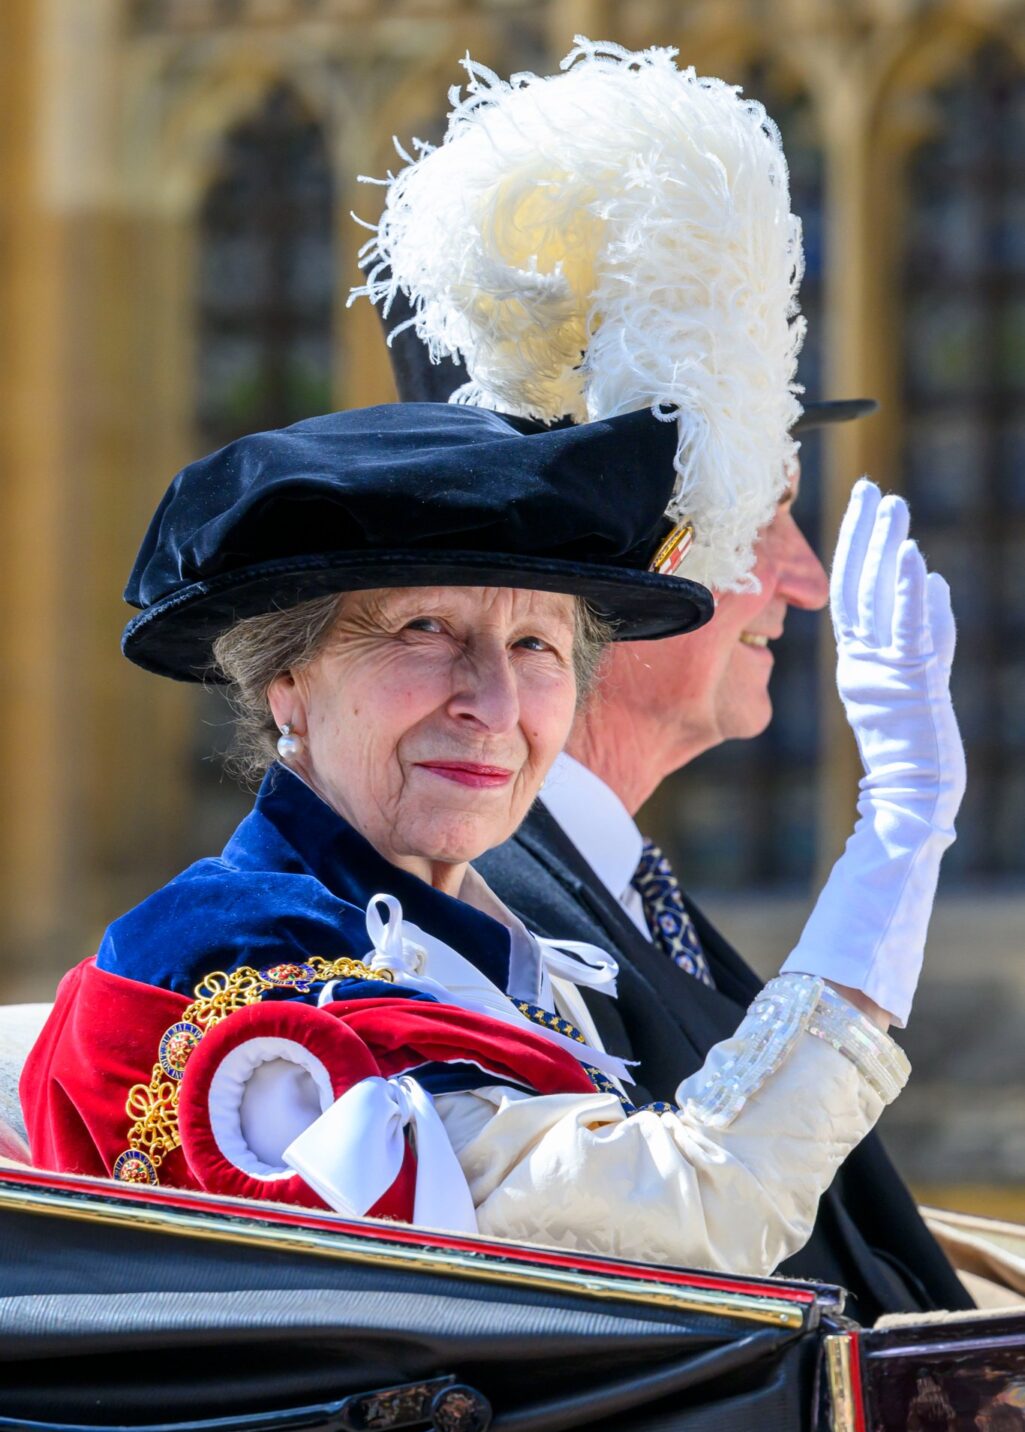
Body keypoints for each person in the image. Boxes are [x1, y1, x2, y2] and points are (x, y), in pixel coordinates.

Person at [20, 396, 944, 1280]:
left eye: (536, 646)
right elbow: (697, 1214)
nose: (494, 706)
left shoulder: (487, 948)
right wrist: (901, 828)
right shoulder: (246, 966)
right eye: (425, 629)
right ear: (287, 680)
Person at [361, 37, 973, 1316]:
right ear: (622, 567)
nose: (804, 581)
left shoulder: (625, 895)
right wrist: (901, 831)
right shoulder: (484, 917)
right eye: (767, 515)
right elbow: (694, 1242)